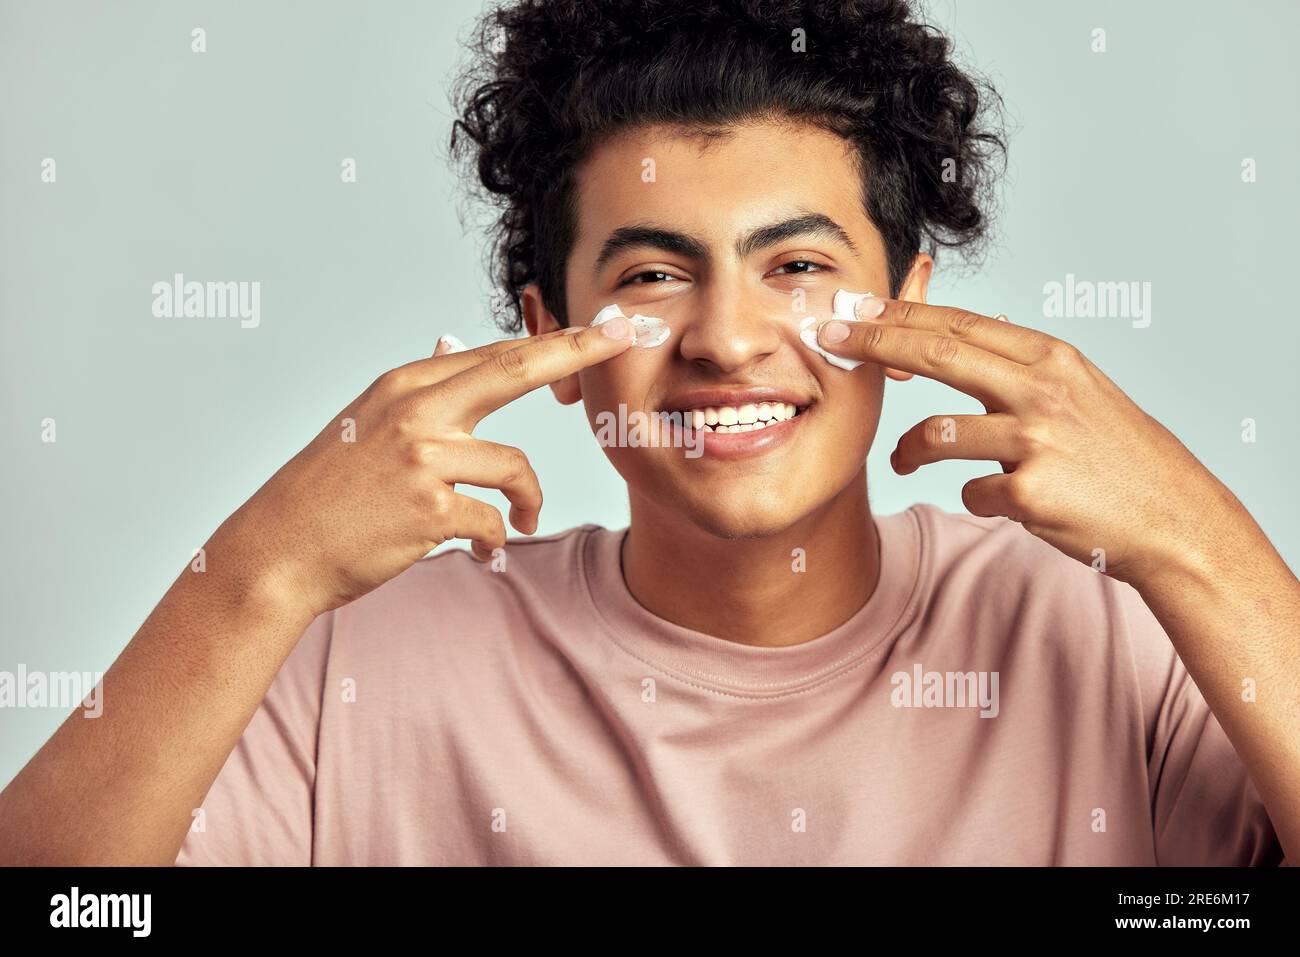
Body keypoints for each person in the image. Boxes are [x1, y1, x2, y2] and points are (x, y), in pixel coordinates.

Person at [1, 0, 1295, 866]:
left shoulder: (1114, 632)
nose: (727, 337)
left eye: (795, 266)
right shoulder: (363, 674)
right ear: (547, 333)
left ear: (908, 310)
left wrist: (1199, 539)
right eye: (651, 276)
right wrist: (255, 572)